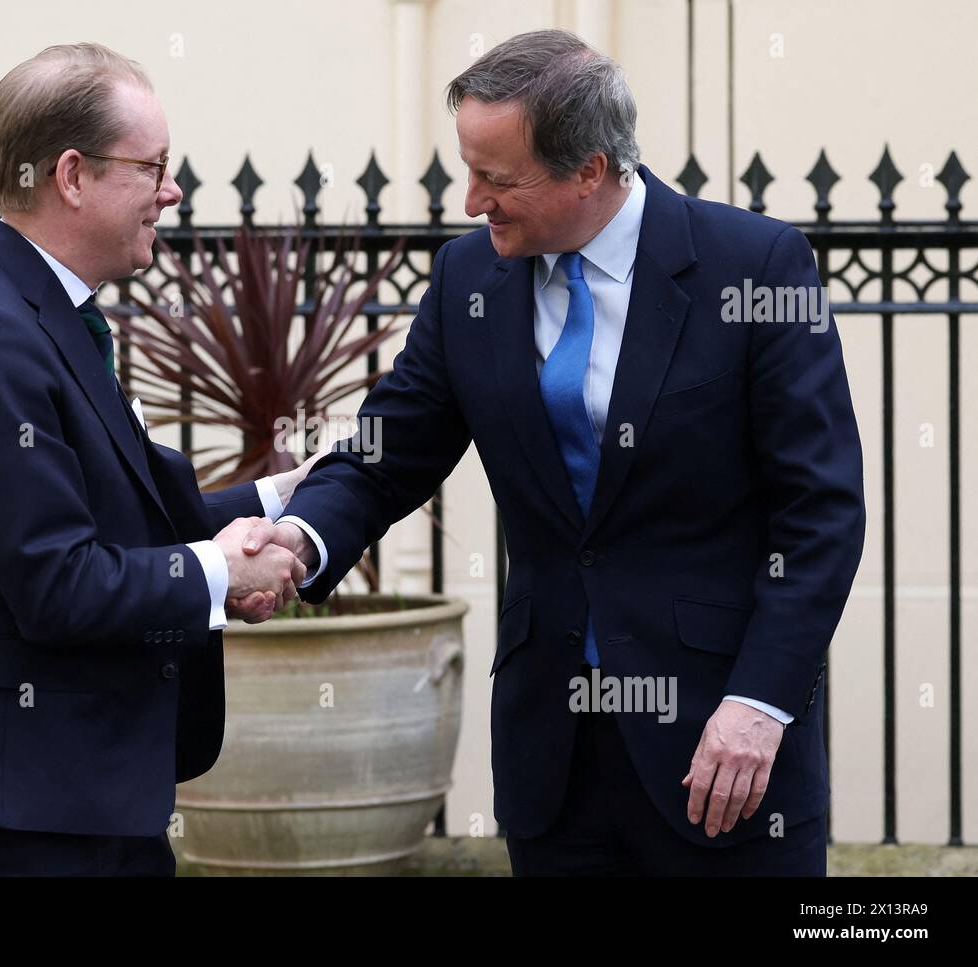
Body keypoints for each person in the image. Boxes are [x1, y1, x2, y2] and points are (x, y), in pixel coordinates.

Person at [248, 29, 866, 875]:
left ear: (591, 170)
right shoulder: (470, 279)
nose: (471, 201)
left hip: (723, 747)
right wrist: (302, 538)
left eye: (497, 179)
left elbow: (821, 509)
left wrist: (761, 699)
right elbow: (388, 451)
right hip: (553, 755)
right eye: (468, 169)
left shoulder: (754, 265)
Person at [0, 43, 313, 876]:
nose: (172, 191)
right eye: (154, 166)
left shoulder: (43, 313)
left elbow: (122, 521)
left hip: (64, 783)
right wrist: (220, 575)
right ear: (71, 176)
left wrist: (285, 496)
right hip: (4, 799)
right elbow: (57, 582)